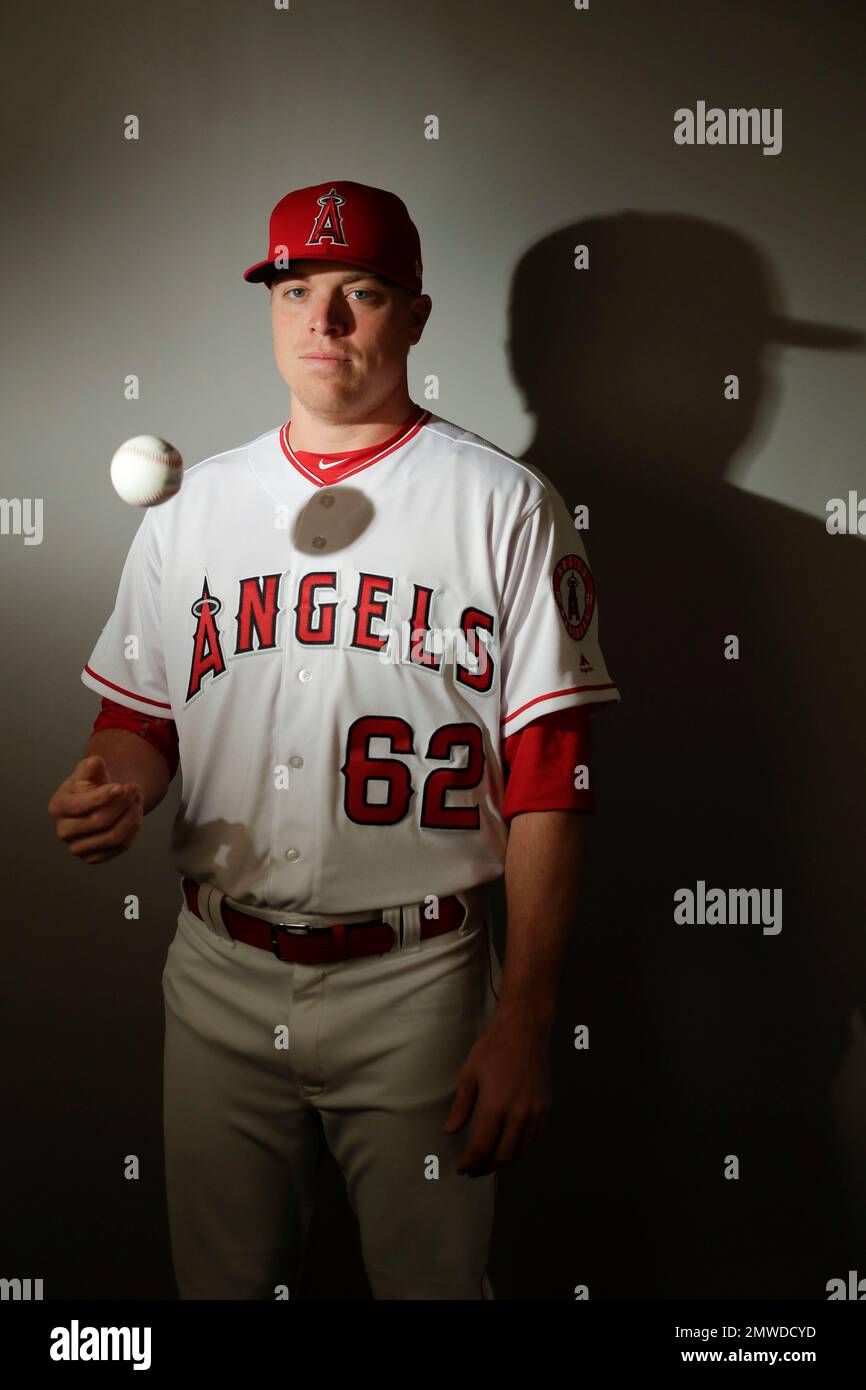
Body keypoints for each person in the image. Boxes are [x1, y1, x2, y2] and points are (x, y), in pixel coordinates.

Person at [47, 179, 621, 1300]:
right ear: (271, 308)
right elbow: (138, 723)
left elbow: (552, 778)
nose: (324, 321)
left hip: (420, 984)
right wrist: (109, 785)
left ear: (414, 314)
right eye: (296, 289)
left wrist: (526, 1013)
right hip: (216, 976)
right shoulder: (194, 505)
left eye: (359, 291)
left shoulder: (502, 505)